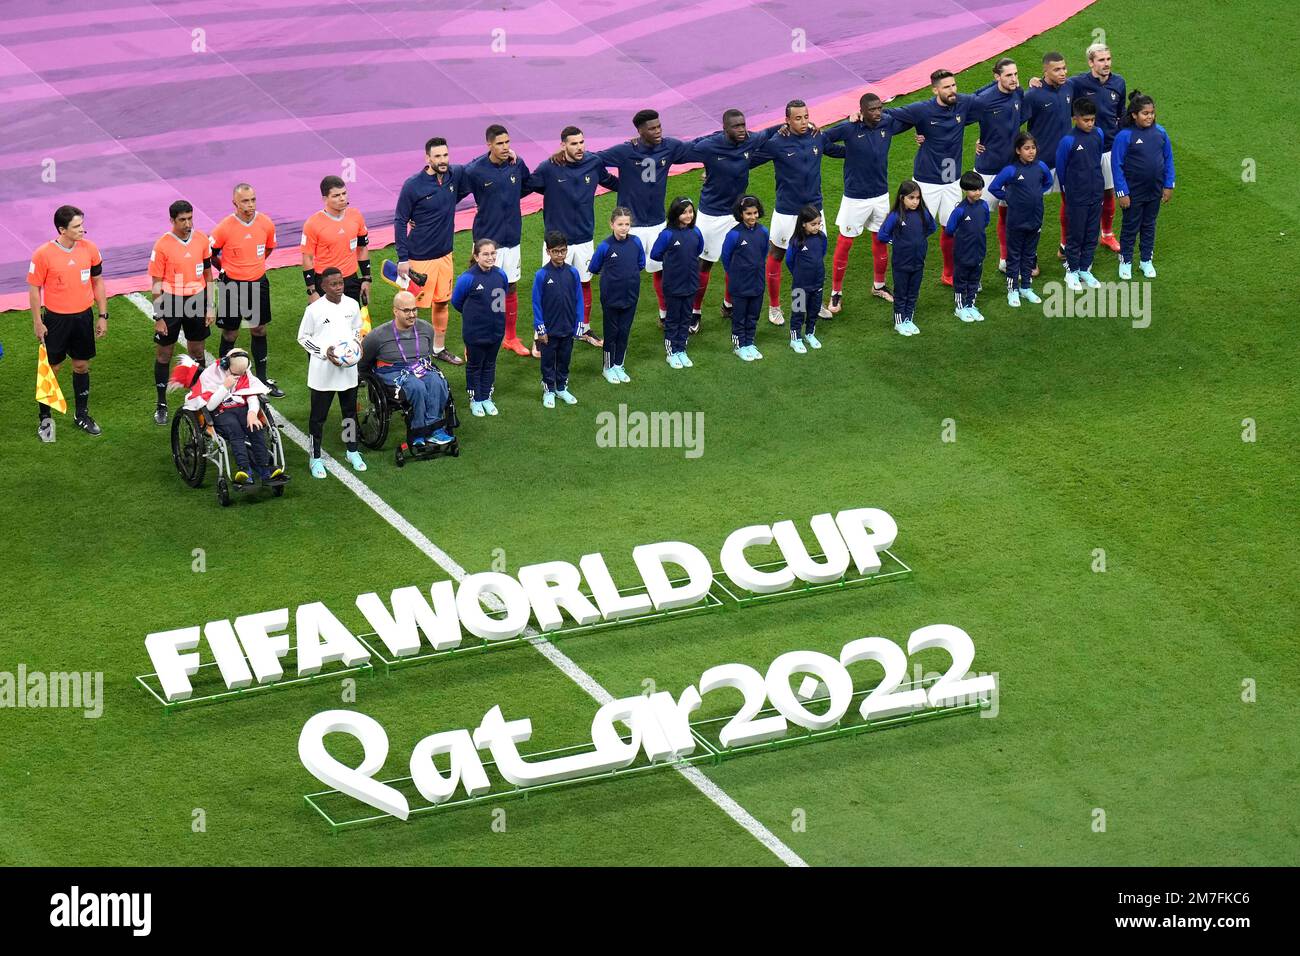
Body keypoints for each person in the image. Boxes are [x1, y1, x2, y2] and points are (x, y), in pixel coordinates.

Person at [587, 110, 696, 328]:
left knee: (662, 271)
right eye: (652, 128)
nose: (657, 132)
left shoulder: (670, 146)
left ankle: (665, 315)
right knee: (623, 272)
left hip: (657, 223)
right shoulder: (625, 151)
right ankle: (616, 315)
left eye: (659, 127)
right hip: (631, 226)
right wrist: (612, 183)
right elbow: (592, 159)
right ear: (639, 130)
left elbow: (699, 148)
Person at [524, 127, 619, 351]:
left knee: (584, 282)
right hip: (557, 242)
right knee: (550, 288)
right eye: (574, 143)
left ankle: (583, 328)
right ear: (563, 145)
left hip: (584, 237)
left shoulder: (593, 163)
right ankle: (540, 334)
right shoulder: (549, 168)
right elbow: (524, 186)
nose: (579, 147)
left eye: (582, 142)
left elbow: (614, 183)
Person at [888, 70, 986, 286]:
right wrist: (860, 114)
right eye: (946, 87)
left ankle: (949, 274)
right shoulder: (921, 110)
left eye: (953, 85)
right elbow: (891, 113)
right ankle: (904, 270)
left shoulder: (962, 103)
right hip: (926, 181)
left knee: (950, 228)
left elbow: (985, 96)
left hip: (951, 181)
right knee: (915, 229)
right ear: (935, 90)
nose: (952, 91)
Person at [753, 100, 844, 325]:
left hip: (814, 209)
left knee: (813, 257)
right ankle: (774, 307)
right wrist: (714, 172)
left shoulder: (817, 137)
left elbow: (838, 150)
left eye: (805, 116)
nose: (803, 122)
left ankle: (811, 304)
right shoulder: (777, 142)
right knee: (777, 254)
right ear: (787, 120)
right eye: (797, 118)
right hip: (787, 210)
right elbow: (748, 160)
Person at [681, 110, 776, 326]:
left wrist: (797, 124)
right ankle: (695, 311)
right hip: (711, 215)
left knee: (737, 261)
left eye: (743, 124)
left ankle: (729, 304)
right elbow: (681, 152)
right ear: (725, 128)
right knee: (704, 264)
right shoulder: (709, 146)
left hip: (736, 214)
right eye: (736, 126)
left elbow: (770, 132)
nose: (742, 129)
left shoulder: (750, 140)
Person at [28, 205, 107, 440]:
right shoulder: (43, 254)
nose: (82, 230)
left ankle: (81, 415)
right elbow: (34, 289)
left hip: (83, 318)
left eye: (82, 224)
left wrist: (103, 315)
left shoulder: (90, 249)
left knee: (81, 365)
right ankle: (45, 420)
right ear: (62, 229)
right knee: (52, 370)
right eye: (76, 226)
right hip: (56, 320)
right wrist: (37, 322)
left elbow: (98, 281)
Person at [824, 92, 905, 311]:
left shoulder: (887, 123)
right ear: (861, 111)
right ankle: (836, 293)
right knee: (845, 242)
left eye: (879, 108)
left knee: (880, 239)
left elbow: (911, 120)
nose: (878, 112)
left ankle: (879, 285)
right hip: (855, 198)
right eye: (872, 109)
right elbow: (822, 140)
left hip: (880, 195)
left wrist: (922, 136)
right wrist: (846, 152)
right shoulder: (849, 128)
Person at [394, 137, 472, 365]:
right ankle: (409, 354)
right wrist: (402, 258)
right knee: (411, 308)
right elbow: (400, 220)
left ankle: (438, 348)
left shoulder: (453, 176)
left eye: (445, 155)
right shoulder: (413, 185)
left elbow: (475, 168)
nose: (443, 160)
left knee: (441, 302)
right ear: (427, 158)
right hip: (419, 259)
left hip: (445, 255)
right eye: (437, 156)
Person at [464, 125, 535, 357]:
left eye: (507, 142)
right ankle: (472, 339)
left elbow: (526, 185)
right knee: (479, 290)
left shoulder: (517, 164)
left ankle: (510, 337)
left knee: (510, 287)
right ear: (489, 145)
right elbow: (454, 193)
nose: (505, 147)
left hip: (512, 239)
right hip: (487, 242)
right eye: (500, 143)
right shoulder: (475, 171)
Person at [211, 183, 282, 397]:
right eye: (244, 201)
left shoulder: (266, 223)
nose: (250, 205)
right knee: (231, 333)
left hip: (257, 283)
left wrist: (254, 265)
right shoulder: (224, 227)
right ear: (235, 203)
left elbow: (268, 248)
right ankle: (224, 380)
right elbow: (210, 253)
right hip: (231, 285)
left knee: (259, 329)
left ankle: (261, 379)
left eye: (252, 200)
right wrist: (224, 268)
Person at [358, 291, 454, 447]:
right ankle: (418, 432)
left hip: (419, 367)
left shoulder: (427, 329)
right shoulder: (377, 336)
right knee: (416, 387)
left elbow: (427, 355)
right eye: (406, 310)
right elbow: (363, 363)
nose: (412, 314)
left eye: (414, 309)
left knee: (437, 382)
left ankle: (434, 429)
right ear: (395, 311)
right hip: (391, 372)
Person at [180, 348, 286, 486]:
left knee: (256, 428)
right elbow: (210, 406)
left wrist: (252, 414)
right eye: (235, 374)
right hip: (220, 412)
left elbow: (252, 394)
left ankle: (265, 469)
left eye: (241, 374)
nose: (238, 377)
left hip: (241, 409)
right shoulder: (210, 375)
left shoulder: (244, 373)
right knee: (235, 430)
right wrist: (225, 387)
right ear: (225, 365)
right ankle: (244, 470)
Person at [150, 200, 214, 425]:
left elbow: (208, 275)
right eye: (182, 220)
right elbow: (156, 283)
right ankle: (161, 403)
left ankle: (201, 398)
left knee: (197, 352)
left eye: (190, 218)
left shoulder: (202, 240)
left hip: (196, 300)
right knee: (164, 355)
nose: (187, 223)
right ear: (172, 220)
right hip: (170, 302)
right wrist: (158, 317)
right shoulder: (162, 246)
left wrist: (210, 306)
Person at [297, 267, 366, 476]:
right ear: (323, 286)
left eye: (341, 283)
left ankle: (352, 450)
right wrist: (323, 352)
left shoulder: (352, 305)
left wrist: (356, 344)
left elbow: (357, 328)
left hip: (348, 372)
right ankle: (315, 457)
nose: (338, 287)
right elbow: (303, 337)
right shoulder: (314, 310)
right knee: (318, 417)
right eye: (333, 284)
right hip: (322, 374)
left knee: (349, 413)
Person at [1067, 43, 1127, 253]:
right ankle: (1069, 240)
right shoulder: (1077, 83)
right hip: (1085, 148)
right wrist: (1034, 81)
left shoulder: (1119, 82)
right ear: (1090, 63)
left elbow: (1121, 113)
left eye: (1108, 59)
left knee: (1108, 192)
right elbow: (1056, 91)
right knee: (1083, 193)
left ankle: (1107, 235)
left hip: (1110, 146)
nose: (1106, 64)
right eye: (1101, 60)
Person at [1110, 91, 1175, 279]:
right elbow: (1117, 165)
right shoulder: (1125, 136)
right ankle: (1126, 261)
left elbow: (1168, 159)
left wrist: (1168, 185)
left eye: (1152, 113)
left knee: (1149, 225)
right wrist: (1122, 192)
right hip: (1133, 192)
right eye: (1145, 113)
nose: (1150, 117)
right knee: (1131, 226)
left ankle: (1146, 260)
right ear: (1134, 115)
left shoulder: (1161, 133)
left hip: (1154, 190)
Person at [990, 132, 1054, 306]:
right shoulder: (1011, 170)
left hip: (1035, 219)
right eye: (1027, 148)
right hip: (1016, 221)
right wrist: (1010, 197)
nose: (1031, 151)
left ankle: (1026, 287)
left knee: (1029, 255)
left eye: (1033, 148)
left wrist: (1037, 192)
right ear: (1018, 150)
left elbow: (1048, 182)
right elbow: (994, 187)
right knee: (1014, 256)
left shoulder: (1041, 167)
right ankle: (1013, 290)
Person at [973, 59, 1024, 272]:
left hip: (1010, 169)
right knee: (977, 222)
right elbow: (958, 116)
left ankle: (1005, 260)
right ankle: (971, 269)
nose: (1014, 79)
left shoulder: (1018, 93)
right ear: (997, 77)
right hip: (987, 170)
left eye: (1015, 74)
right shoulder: (983, 101)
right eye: (1008, 75)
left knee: (1008, 215)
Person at [1024, 51, 1074, 260]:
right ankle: (1029, 257)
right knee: (1033, 213)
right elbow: (1011, 123)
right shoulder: (1033, 95)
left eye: (1064, 68)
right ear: (1045, 71)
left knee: (1071, 204)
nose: (1062, 73)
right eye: (1057, 70)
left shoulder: (1070, 87)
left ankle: (1065, 246)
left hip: (1066, 160)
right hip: (1040, 163)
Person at [451, 239, 510, 416]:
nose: (490, 257)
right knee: (475, 366)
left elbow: (500, 302)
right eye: (485, 254)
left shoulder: (501, 275)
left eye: (493, 253)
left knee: (490, 364)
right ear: (476, 256)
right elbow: (456, 302)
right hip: (475, 334)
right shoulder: (467, 278)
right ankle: (475, 400)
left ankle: (486, 397)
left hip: (496, 331)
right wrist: (473, 317)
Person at [587, 207, 645, 383]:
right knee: (611, 334)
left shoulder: (636, 242)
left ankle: (619, 365)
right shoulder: (605, 246)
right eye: (620, 224)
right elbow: (594, 268)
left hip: (631, 296)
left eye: (627, 224)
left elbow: (640, 263)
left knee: (624, 332)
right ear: (612, 224)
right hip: (611, 298)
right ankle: (608, 367)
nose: (624, 228)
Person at [1055, 99, 1106, 290]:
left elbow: (1097, 158)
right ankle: (1071, 272)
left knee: (1092, 232)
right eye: (1086, 120)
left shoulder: (1098, 133)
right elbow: (1061, 170)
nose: (1090, 123)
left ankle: (1085, 268)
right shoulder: (1068, 141)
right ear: (1075, 119)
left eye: (1092, 119)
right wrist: (1070, 192)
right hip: (1076, 196)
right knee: (1076, 234)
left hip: (1096, 192)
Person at [649, 197, 705, 369]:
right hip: (673, 285)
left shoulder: (696, 232)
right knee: (673, 319)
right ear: (675, 214)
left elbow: (699, 249)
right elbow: (655, 254)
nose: (688, 215)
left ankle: (681, 349)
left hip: (691, 284)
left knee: (686, 318)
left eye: (690, 211)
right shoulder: (667, 234)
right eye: (684, 212)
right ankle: (671, 352)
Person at [531, 231, 584, 407]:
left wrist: (579, 323)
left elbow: (579, 299)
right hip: (549, 330)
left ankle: (561, 387)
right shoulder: (541, 275)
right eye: (556, 251)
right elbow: (536, 303)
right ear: (548, 251)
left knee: (564, 360)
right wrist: (540, 329)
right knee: (547, 362)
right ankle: (548, 390)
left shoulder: (573, 273)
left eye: (563, 250)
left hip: (568, 328)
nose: (560, 255)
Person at [877, 181, 936, 336]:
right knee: (901, 293)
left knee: (913, 293)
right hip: (901, 264)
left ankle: (908, 319)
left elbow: (932, 228)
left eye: (917, 198)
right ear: (902, 198)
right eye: (911, 198)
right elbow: (882, 236)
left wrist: (919, 240)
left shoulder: (924, 214)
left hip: (918, 262)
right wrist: (898, 243)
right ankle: (899, 322)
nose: (915, 201)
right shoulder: (895, 216)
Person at [301, 176, 371, 306]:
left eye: (344, 193)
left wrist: (367, 278)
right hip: (325, 282)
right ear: (325, 199)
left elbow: (362, 247)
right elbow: (308, 259)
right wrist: (312, 291)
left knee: (352, 323)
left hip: (351, 280)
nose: (342, 198)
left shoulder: (356, 216)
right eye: (336, 195)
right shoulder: (312, 224)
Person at [720, 194, 769, 361]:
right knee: (739, 317)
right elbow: (725, 258)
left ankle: (749, 343)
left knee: (753, 316)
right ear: (741, 214)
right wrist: (735, 273)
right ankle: (738, 346)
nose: (752, 217)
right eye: (748, 213)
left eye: (755, 213)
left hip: (757, 283)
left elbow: (763, 254)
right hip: (739, 285)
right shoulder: (734, 235)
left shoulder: (763, 232)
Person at [944, 172, 991, 323]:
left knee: (975, 281)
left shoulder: (983, 205)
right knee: (961, 282)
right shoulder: (959, 210)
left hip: (979, 251)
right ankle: (960, 308)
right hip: (963, 253)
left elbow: (985, 222)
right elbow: (949, 230)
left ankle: (970, 305)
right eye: (974, 190)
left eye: (979, 189)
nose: (977, 192)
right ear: (965, 190)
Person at [784, 205, 828, 352]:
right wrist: (799, 275)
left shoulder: (822, 237)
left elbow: (822, 254)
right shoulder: (796, 241)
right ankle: (795, 338)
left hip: (817, 283)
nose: (817, 227)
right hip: (800, 285)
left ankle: (809, 334)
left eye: (819, 223)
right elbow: (789, 261)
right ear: (803, 223)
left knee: (814, 311)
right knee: (798, 312)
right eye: (813, 224)